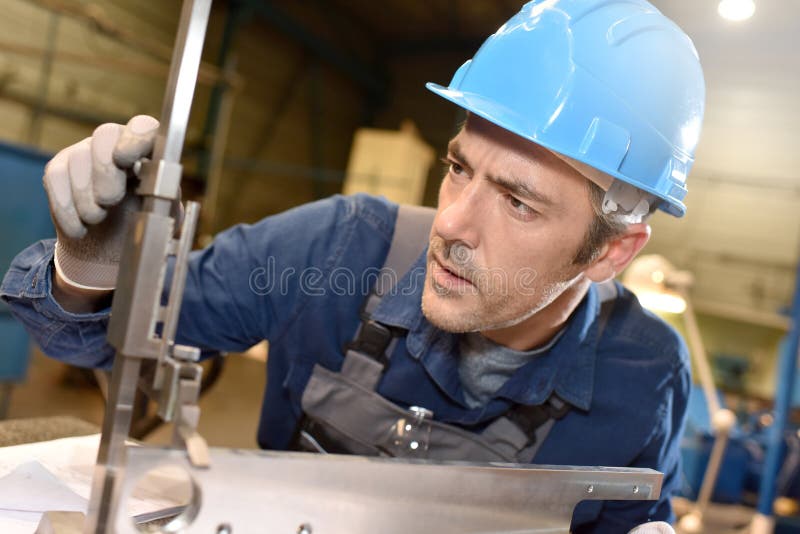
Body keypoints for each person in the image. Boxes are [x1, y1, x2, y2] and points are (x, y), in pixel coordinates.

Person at [1, 0, 704, 532]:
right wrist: (91, 265)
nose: (452, 225)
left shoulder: (643, 376)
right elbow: (100, 341)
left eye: (519, 203)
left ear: (611, 251)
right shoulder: (338, 251)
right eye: (459, 169)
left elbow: (635, 516)